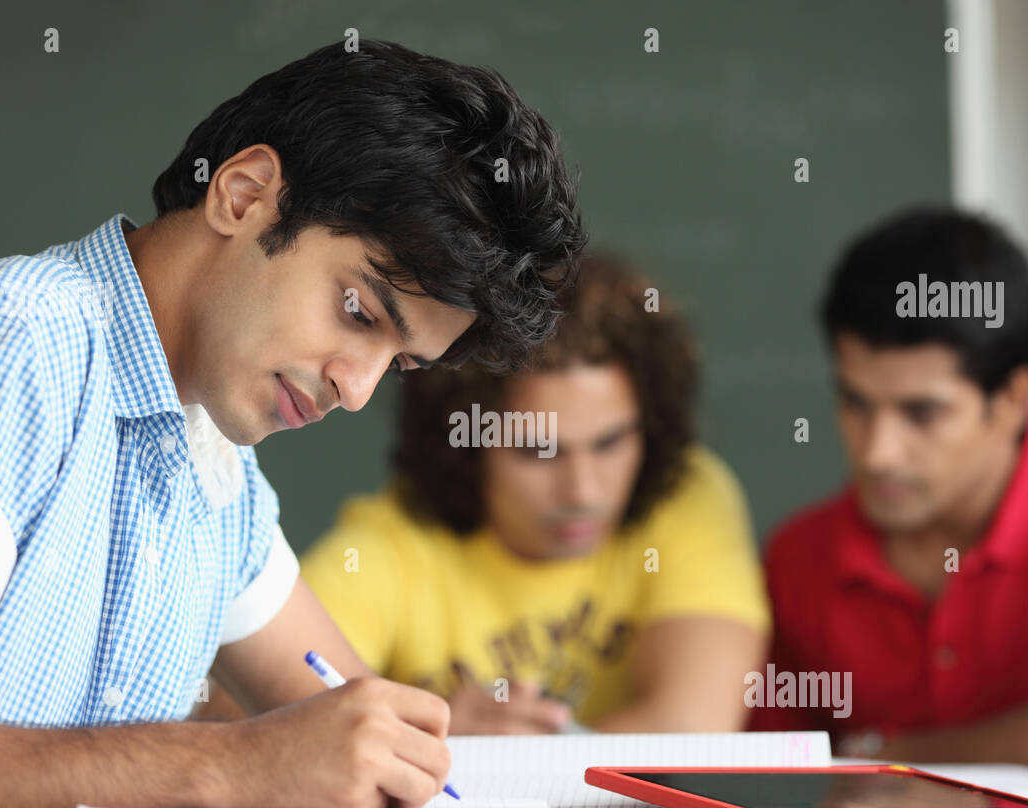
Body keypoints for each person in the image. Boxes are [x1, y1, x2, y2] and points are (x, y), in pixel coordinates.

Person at [0, 38, 587, 808]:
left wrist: (404, 744)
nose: (357, 388)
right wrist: (226, 765)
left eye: (401, 363)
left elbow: (352, 720)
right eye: (357, 310)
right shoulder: (1, 354)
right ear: (243, 197)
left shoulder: (213, 461)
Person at [208, 252, 767, 734]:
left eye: (610, 442)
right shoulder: (392, 545)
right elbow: (236, 717)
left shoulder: (688, 497)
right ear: (467, 446)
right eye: (536, 451)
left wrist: (470, 758)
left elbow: (693, 724)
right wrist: (439, 733)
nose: (584, 491)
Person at [750, 207, 1028, 784]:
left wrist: (878, 753)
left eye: (922, 413)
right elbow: (768, 783)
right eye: (856, 404)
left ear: (1012, 399)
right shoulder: (799, 556)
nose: (877, 452)